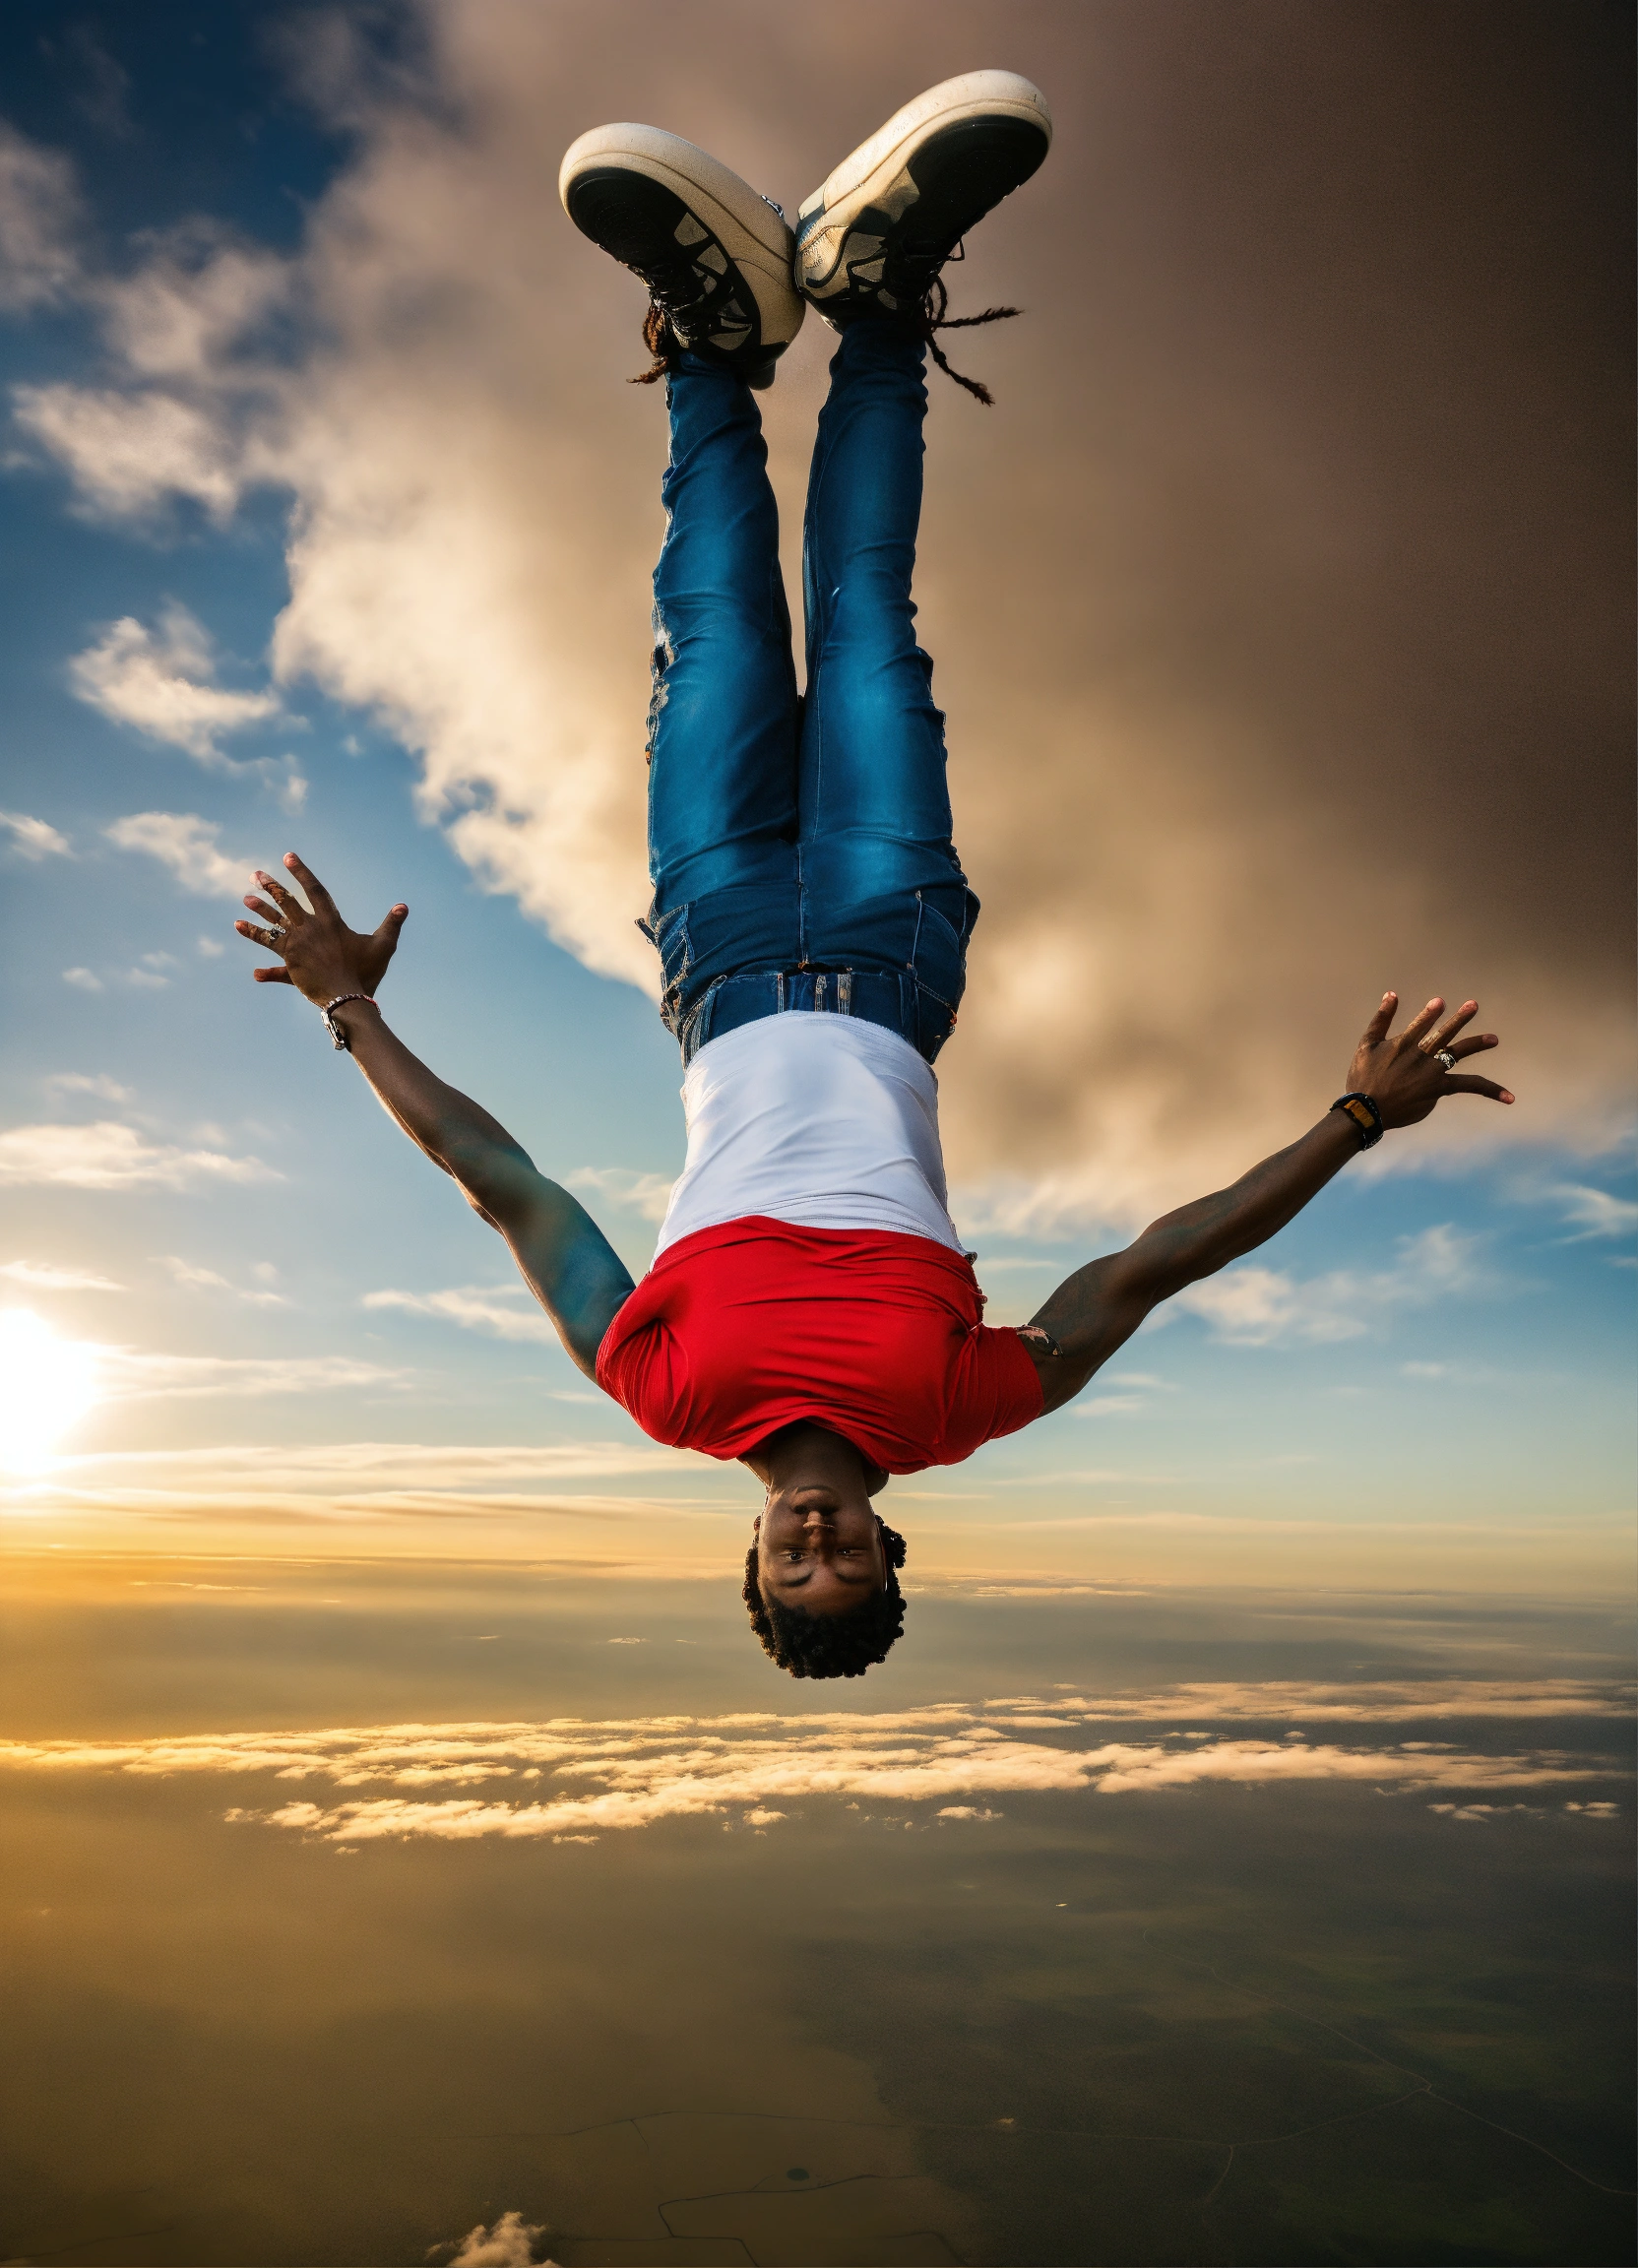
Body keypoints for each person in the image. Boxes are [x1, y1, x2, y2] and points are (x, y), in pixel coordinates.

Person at [235, 73, 1513, 1680]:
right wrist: (1353, 1122)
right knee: (865, 627)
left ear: (753, 1566)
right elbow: (1153, 1267)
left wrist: (351, 1008)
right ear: (891, 1553)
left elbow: (508, 1186)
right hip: (893, 950)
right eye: (850, 1572)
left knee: (713, 641)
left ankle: (710, 344)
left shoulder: (664, 1392)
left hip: (721, 944)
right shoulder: (962, 1405)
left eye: (793, 1576)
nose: (819, 1549)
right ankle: (881, 311)